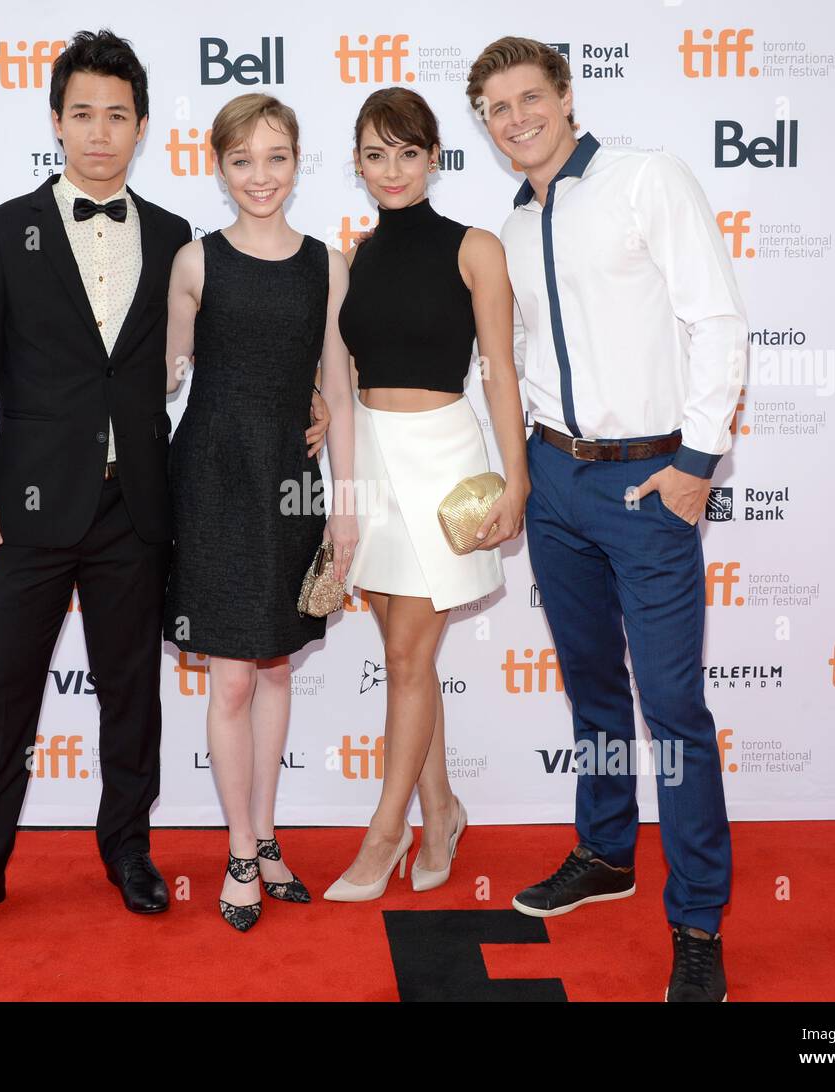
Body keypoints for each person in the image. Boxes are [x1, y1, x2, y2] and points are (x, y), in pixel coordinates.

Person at [0, 30, 330, 940]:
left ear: (141, 128)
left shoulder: (181, 239)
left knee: (131, 693)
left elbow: (232, 354)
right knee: (2, 695)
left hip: (139, 502)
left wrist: (313, 399)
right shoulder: (0, 230)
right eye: (83, 114)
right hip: (21, 508)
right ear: (56, 121)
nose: (100, 133)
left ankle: (129, 854)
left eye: (119, 116)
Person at [467, 37, 748, 1001]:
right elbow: (509, 360)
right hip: (556, 484)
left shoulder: (643, 178)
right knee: (592, 688)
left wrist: (697, 464)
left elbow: (716, 319)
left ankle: (699, 919)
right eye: (497, 108)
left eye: (530, 97)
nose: (517, 119)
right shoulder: (505, 227)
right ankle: (606, 850)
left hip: (650, 485)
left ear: (566, 97)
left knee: (671, 710)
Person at [325, 86, 528, 902]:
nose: (392, 170)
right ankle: (439, 810)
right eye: (375, 155)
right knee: (404, 658)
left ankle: (386, 834)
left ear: (434, 157)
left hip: (444, 462)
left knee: (409, 657)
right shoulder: (352, 257)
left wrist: (516, 481)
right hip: (371, 462)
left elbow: (502, 374)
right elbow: (338, 377)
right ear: (359, 165)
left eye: (407, 152)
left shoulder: (476, 247)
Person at [163, 93, 358, 932]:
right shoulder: (194, 261)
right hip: (209, 482)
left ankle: (268, 834)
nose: (260, 176)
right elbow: (165, 370)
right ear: (219, 167)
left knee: (276, 665)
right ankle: (240, 848)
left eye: (276, 157)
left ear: (297, 161)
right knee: (233, 674)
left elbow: (340, 399)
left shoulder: (327, 264)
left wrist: (345, 510)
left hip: (290, 483)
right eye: (242, 160)